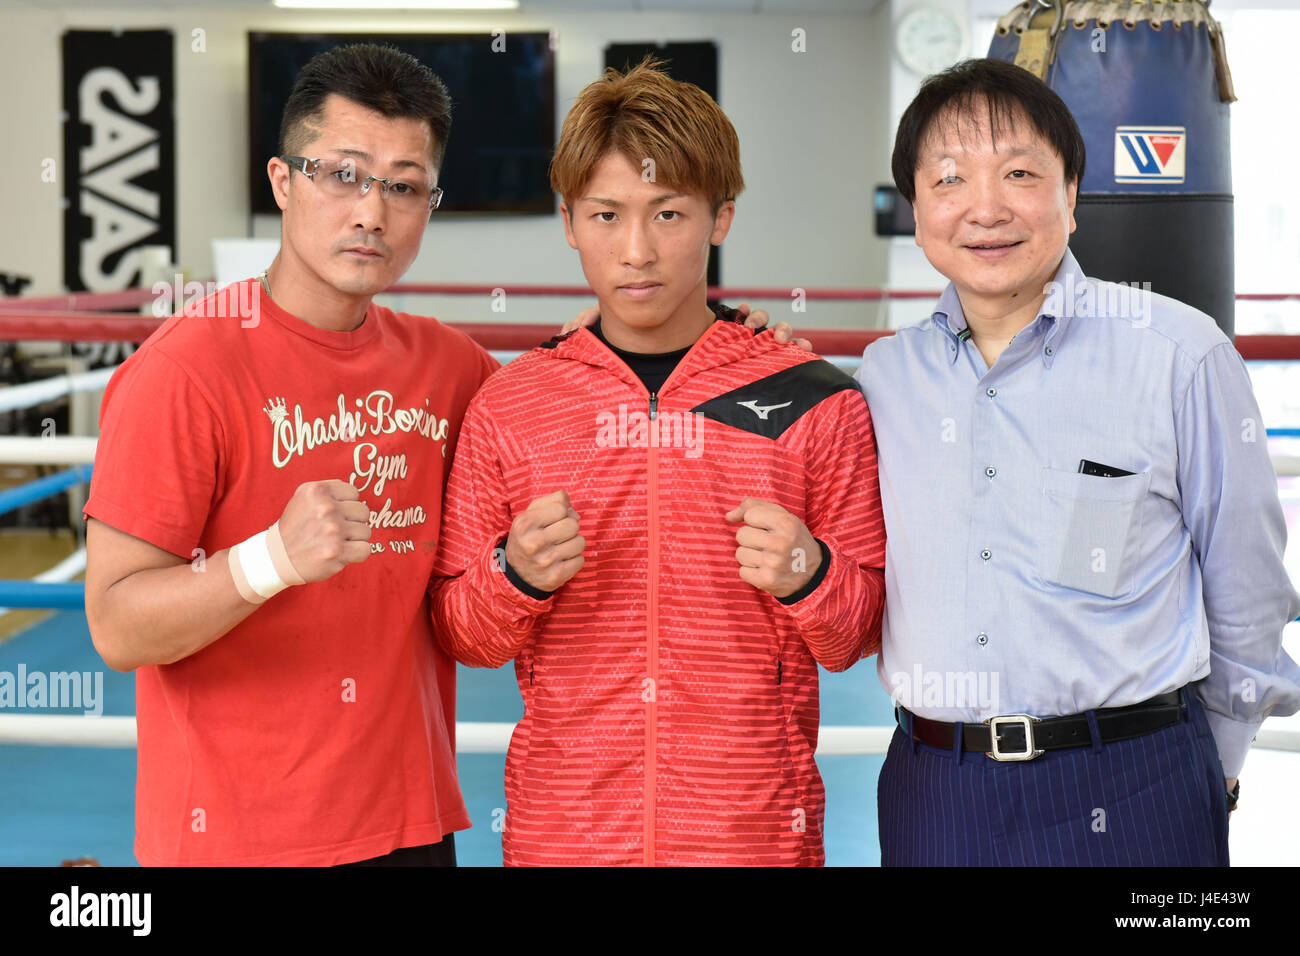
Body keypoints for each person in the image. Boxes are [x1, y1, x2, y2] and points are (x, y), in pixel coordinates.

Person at [82, 43, 790, 867]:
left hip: (412, 827)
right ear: (282, 181)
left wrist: (740, 343)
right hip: (237, 839)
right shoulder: (183, 371)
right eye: (341, 174)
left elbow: (575, 391)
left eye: (404, 186)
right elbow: (116, 626)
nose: (370, 213)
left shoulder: (452, 369)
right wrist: (268, 560)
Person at [427, 60, 886, 867]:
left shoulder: (813, 396)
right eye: (606, 214)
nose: (636, 250)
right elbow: (464, 633)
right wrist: (514, 575)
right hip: (563, 833)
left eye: (668, 213)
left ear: (721, 218)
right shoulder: (513, 404)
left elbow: (855, 636)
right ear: (569, 221)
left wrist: (810, 573)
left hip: (752, 835)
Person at [858, 57, 1300, 866]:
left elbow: (1250, 589)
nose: (986, 209)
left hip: (1137, 786)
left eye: (1020, 174)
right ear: (917, 210)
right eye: (951, 178)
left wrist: (1215, 769)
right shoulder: (882, 382)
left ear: (1071, 195)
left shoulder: (1178, 354)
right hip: (934, 793)